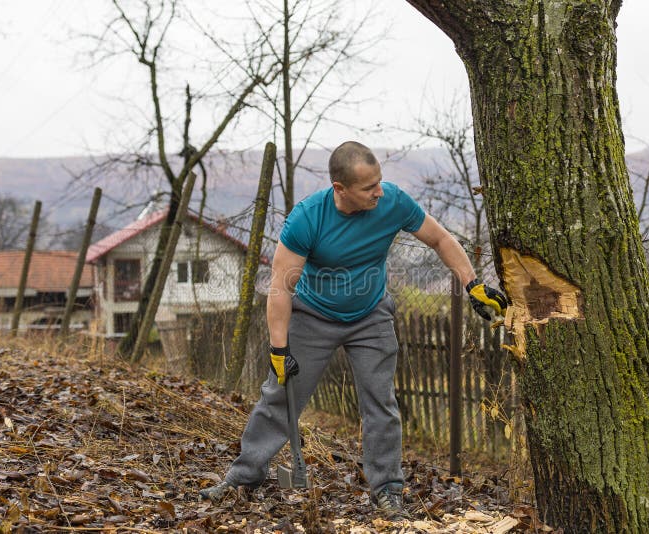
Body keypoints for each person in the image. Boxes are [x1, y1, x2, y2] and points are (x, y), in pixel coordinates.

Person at [200, 141, 507, 517]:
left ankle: (388, 489)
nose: (379, 191)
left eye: (379, 182)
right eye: (368, 187)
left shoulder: (391, 201)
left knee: (381, 403)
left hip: (370, 313)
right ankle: (242, 478)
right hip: (312, 315)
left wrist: (472, 284)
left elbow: (440, 238)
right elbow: (280, 287)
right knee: (279, 396)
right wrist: (279, 350)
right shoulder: (308, 219)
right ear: (340, 189)